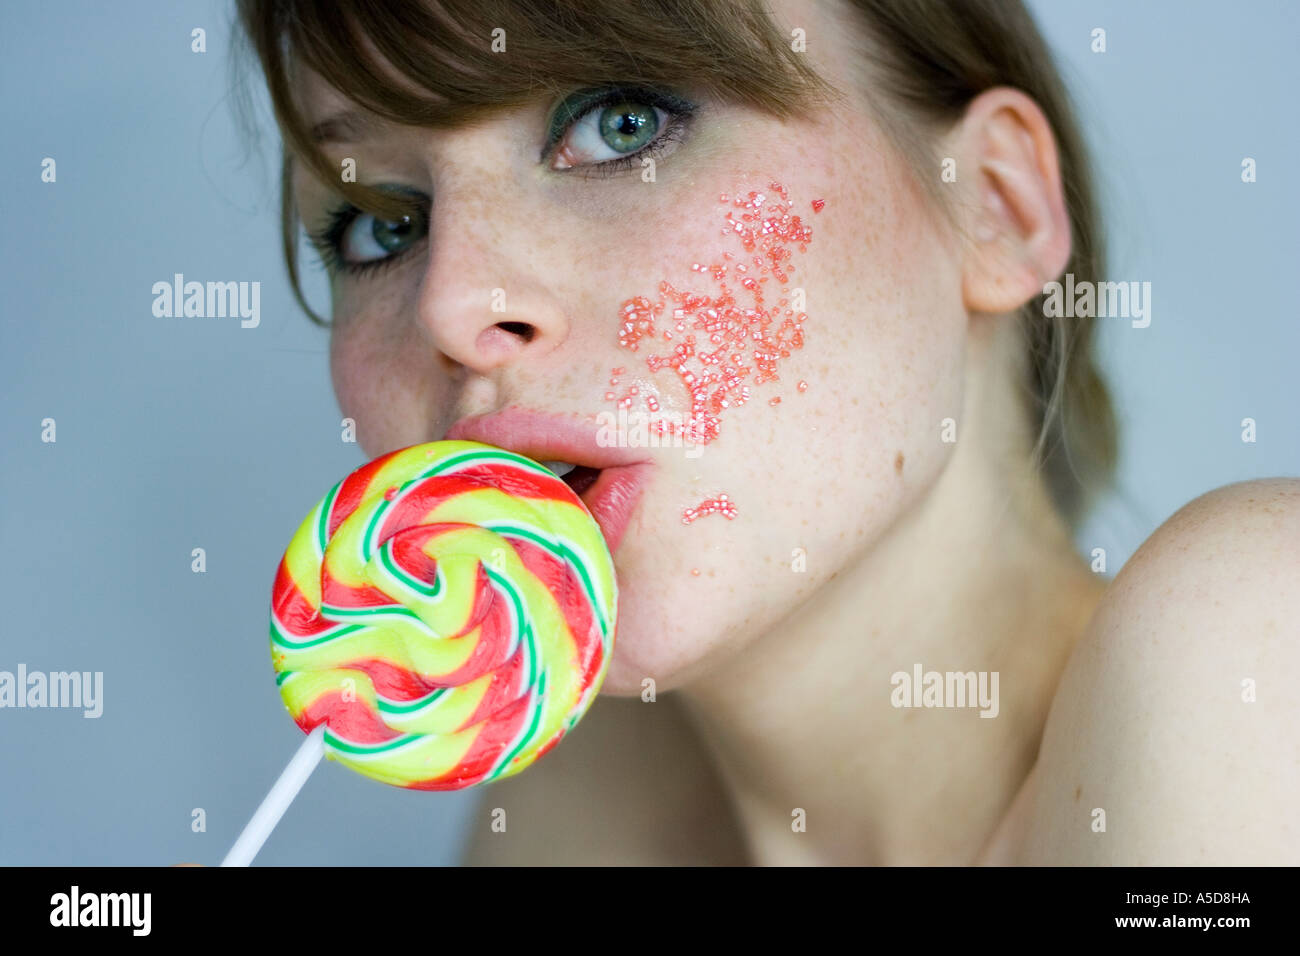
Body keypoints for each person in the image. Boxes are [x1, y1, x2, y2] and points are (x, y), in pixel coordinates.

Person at [234, 0, 1299, 864]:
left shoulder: (1253, 636)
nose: (452, 304)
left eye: (622, 123)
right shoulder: (578, 817)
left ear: (994, 204)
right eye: (383, 220)